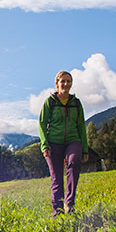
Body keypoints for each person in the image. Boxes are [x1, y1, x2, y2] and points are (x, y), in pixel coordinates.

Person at [38, 70, 91, 216]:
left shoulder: (76, 103)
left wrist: (85, 150)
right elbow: (42, 124)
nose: (66, 84)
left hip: (73, 141)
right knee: (57, 179)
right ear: (57, 84)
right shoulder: (50, 102)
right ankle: (58, 213)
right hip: (53, 143)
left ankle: (70, 204)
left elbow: (81, 126)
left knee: (74, 163)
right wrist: (44, 145)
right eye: (63, 81)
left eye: (68, 81)